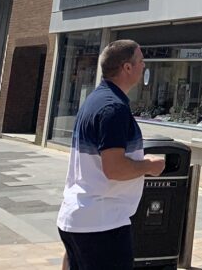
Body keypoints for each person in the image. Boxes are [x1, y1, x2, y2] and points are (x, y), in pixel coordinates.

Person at [56, 40, 166, 270]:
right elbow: (114, 168)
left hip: (79, 219)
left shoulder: (94, 101)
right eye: (141, 61)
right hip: (102, 224)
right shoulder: (113, 109)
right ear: (127, 67)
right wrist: (149, 165)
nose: (144, 66)